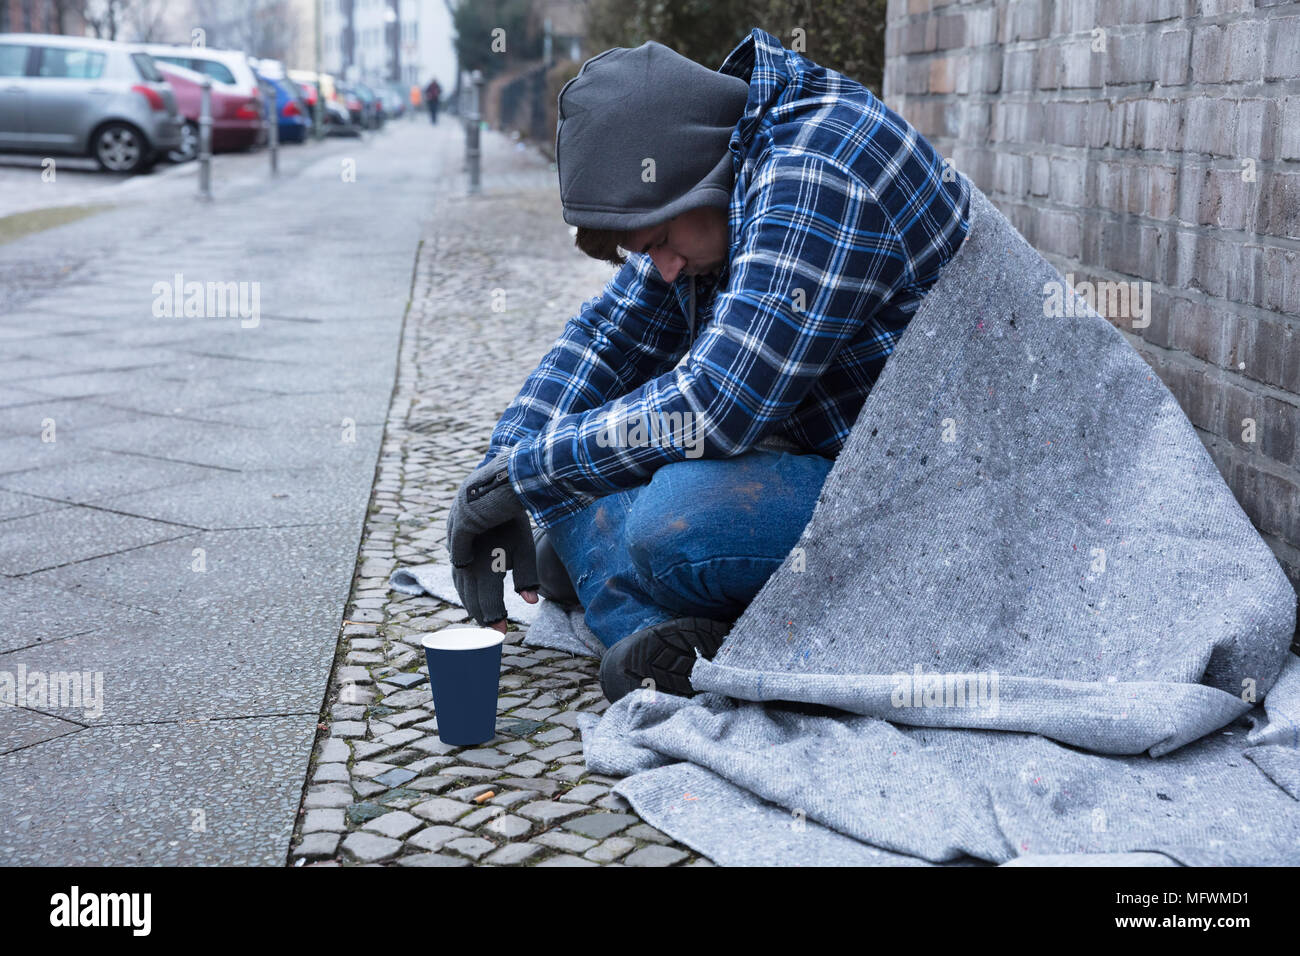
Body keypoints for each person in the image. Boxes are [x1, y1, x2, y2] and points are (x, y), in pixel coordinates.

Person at [447, 27, 972, 704]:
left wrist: (526, 479)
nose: (661, 265)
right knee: (579, 481)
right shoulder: (713, 174)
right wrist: (500, 468)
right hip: (828, 465)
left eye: (661, 241)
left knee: (673, 523)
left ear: (699, 168)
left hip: (933, 502)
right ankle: (665, 640)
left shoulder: (820, 168)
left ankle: (640, 610)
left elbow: (716, 407)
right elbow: (610, 337)